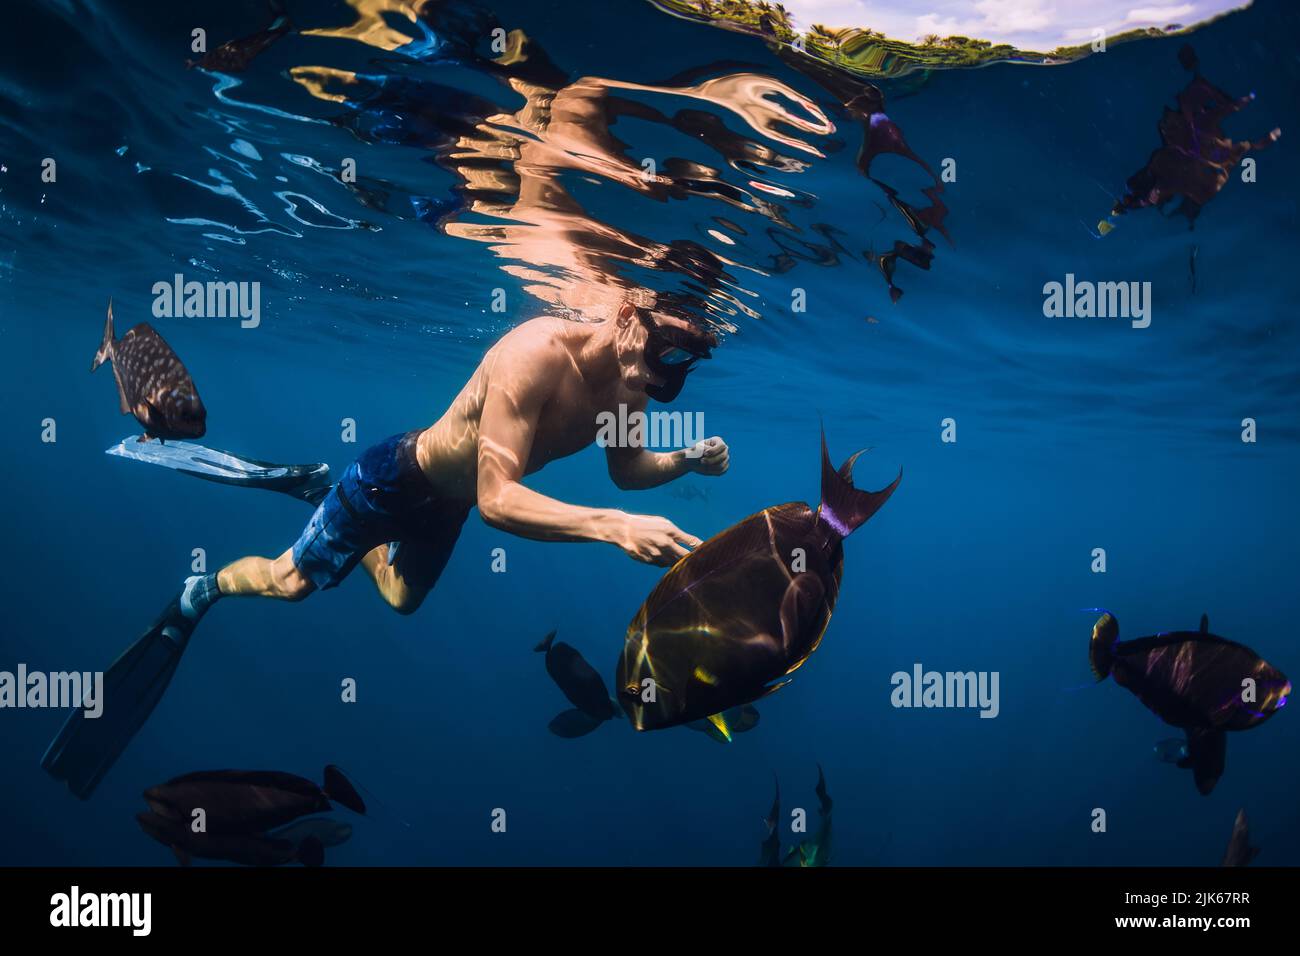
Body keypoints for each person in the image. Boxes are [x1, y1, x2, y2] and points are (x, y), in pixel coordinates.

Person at [43, 305, 728, 797]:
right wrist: (614, 527)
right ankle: (203, 591)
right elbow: (499, 498)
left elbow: (627, 468)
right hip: (396, 478)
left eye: (661, 382)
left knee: (401, 599)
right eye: (649, 370)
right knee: (291, 583)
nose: (645, 390)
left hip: (446, 506)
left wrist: (686, 460)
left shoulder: (627, 383)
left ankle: (317, 490)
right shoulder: (536, 353)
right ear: (629, 315)